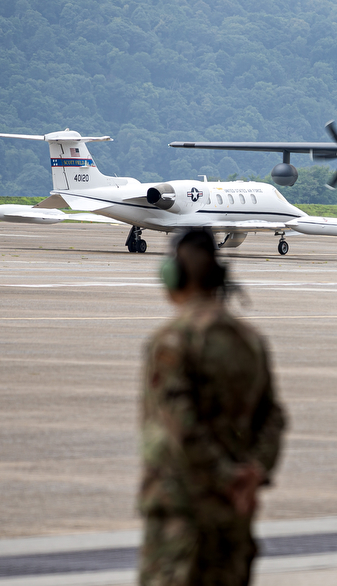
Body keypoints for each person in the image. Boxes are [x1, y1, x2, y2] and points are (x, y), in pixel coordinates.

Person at [139, 230, 287, 586]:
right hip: (235, 512)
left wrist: (225, 477)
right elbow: (274, 417)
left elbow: (181, 425)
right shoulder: (249, 339)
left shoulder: (173, 340)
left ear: (174, 275)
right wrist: (252, 474)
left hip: (183, 514)